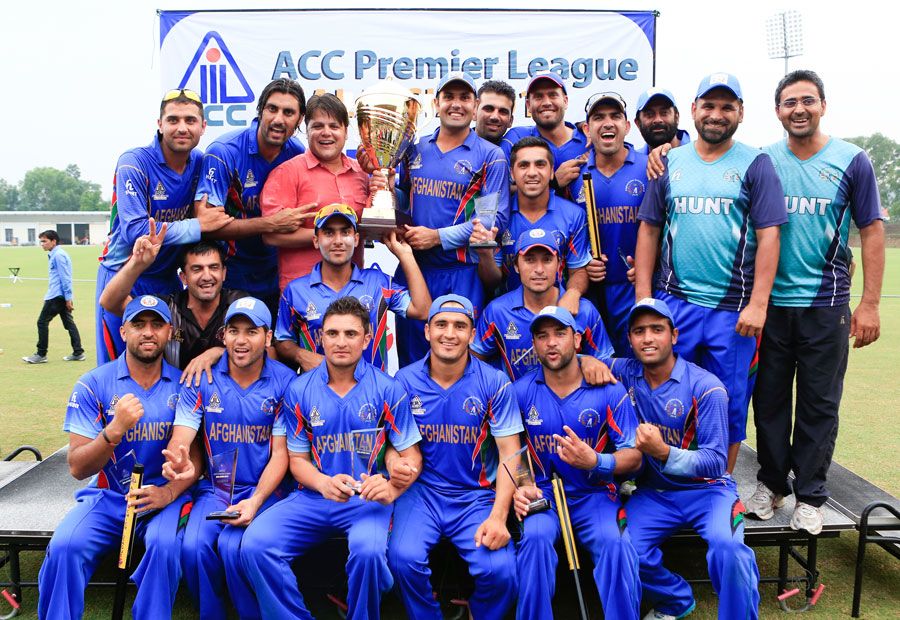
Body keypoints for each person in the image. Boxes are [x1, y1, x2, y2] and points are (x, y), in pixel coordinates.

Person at [746, 70, 885, 535]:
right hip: (769, 306)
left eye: (807, 100)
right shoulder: (763, 159)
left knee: (819, 404)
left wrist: (869, 304)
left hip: (826, 304)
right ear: (778, 110)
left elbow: (871, 230)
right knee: (768, 402)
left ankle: (811, 495)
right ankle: (771, 484)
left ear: (823, 105)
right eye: (789, 102)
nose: (799, 109)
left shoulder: (852, 161)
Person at [635, 73, 787, 472]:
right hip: (674, 304)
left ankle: (718, 487)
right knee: (663, 395)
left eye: (726, 107)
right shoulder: (668, 161)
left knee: (729, 401)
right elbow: (649, 228)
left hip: (732, 311)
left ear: (740, 112)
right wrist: (644, 299)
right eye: (709, 106)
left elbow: (770, 236)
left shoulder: (756, 163)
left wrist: (758, 304)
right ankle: (661, 484)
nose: (716, 115)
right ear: (694, 111)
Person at [241, 296, 422, 619]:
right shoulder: (299, 389)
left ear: (367, 339)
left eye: (351, 334)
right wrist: (323, 483)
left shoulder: (387, 388)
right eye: (333, 333)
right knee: (255, 544)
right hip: (315, 495)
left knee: (367, 553)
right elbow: (296, 461)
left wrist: (393, 485)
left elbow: (410, 454)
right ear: (320, 337)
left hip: (366, 500)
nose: (341, 342)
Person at [37, 295, 199, 620]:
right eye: (138, 324)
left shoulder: (185, 385)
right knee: (66, 546)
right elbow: (77, 466)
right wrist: (114, 430)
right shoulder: (93, 384)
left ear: (170, 332)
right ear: (123, 331)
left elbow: (195, 461)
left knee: (165, 548)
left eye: (156, 324)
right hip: (110, 498)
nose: (148, 332)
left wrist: (168, 491)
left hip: (161, 502)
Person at [608, 298, 760, 620]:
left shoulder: (706, 387)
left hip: (708, 491)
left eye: (656, 330)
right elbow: (573, 359)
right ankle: (675, 599)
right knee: (620, 549)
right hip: (655, 493)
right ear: (630, 339)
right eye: (639, 331)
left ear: (674, 335)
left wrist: (663, 451)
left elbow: (717, 461)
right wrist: (589, 363)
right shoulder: (625, 371)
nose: (648, 338)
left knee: (730, 550)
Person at [388, 295, 521, 620]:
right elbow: (392, 442)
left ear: (472, 334)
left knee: (502, 573)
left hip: (475, 497)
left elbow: (509, 453)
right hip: (422, 494)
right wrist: (394, 462)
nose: (450, 333)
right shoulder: (404, 381)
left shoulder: (494, 383)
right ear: (427, 332)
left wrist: (499, 516)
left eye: (460, 326)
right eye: (441, 324)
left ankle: (480, 612)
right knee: (403, 558)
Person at [162, 297, 295, 619]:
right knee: (193, 549)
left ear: (267, 337)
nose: (241, 340)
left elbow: (281, 454)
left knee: (235, 549)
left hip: (268, 490)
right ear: (223, 336)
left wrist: (258, 498)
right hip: (216, 489)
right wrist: (179, 458)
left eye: (251, 331)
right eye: (234, 330)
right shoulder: (201, 377)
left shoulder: (285, 382)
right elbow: (183, 431)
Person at [512, 305, 641, 620]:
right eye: (542, 336)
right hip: (543, 495)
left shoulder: (608, 389)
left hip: (594, 494)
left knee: (616, 544)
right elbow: (513, 453)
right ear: (534, 344)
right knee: (536, 540)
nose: (551, 343)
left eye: (560, 333)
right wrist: (525, 485)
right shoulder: (519, 391)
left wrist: (596, 460)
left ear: (578, 340)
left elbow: (635, 456)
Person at [96, 88, 232, 364]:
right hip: (125, 275)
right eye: (173, 120)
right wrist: (197, 225)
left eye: (190, 121)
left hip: (168, 279)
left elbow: (213, 219)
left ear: (203, 126)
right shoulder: (134, 162)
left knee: (166, 367)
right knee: (120, 367)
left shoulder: (201, 163)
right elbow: (136, 230)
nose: (182, 128)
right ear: (159, 124)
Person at [392, 72, 510, 367]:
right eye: (449, 97)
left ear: (475, 105)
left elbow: (491, 221)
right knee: (413, 361)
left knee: (459, 363)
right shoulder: (414, 149)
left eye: (464, 98)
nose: (456, 104)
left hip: (462, 273)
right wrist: (382, 188)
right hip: (415, 269)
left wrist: (437, 237)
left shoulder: (490, 156)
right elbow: (405, 200)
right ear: (436, 103)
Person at [195, 78, 309, 316]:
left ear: (299, 120)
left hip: (278, 272)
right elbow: (205, 226)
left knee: (275, 349)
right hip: (232, 273)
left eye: (289, 112)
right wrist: (270, 224)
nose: (278, 119)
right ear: (260, 111)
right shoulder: (224, 152)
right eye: (272, 109)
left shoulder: (296, 153)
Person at [274, 204, 430, 372]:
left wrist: (405, 255)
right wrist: (300, 355)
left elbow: (423, 310)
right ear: (316, 241)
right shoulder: (296, 291)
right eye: (329, 233)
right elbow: (282, 339)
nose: (338, 241)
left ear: (356, 239)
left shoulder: (378, 282)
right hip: (317, 392)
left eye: (345, 232)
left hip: (372, 391)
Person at [99, 220, 245, 373]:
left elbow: (263, 350)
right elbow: (110, 302)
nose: (207, 276)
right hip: (176, 394)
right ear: (183, 277)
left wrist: (218, 352)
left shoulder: (238, 304)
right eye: (197, 269)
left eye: (213, 268)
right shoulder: (167, 307)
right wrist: (137, 263)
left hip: (226, 394)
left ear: (224, 273)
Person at [568, 92, 650, 356]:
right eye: (598, 117)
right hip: (591, 293)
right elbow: (564, 230)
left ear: (627, 126)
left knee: (637, 369)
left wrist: (650, 267)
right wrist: (582, 264)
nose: (607, 123)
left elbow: (667, 229)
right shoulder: (573, 175)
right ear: (586, 128)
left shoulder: (651, 168)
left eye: (615, 116)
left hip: (634, 288)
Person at [260, 93, 371, 289]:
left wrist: (384, 181)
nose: (326, 133)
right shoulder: (286, 173)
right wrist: (328, 234)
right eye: (318, 126)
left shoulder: (362, 173)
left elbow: (376, 226)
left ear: (346, 131)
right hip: (302, 293)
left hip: (351, 292)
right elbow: (271, 236)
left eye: (334, 126)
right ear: (307, 131)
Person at [473, 229, 613, 381]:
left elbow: (605, 365)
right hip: (516, 402)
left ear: (559, 264)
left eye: (547, 260)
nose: (539, 270)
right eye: (530, 260)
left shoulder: (585, 311)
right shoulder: (497, 311)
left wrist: (587, 360)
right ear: (516, 266)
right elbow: (474, 363)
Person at [479, 136, 590, 305]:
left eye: (540, 164)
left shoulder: (574, 215)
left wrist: (573, 293)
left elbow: (579, 270)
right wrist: (485, 254)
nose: (532, 172)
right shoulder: (497, 214)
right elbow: (492, 281)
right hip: (511, 316)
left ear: (552, 171)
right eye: (523, 165)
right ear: (511, 173)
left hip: (558, 313)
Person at [502, 72, 589, 191]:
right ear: (528, 105)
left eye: (553, 95)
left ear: (565, 101)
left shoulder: (589, 138)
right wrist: (552, 182)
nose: (546, 102)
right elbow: (499, 189)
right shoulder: (516, 137)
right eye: (538, 96)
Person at [23, 230, 84, 363]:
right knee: (69, 323)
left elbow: (65, 278)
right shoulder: (55, 254)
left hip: (57, 296)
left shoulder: (58, 256)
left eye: (44, 241)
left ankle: (41, 354)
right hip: (59, 295)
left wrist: (68, 298)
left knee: (42, 322)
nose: (42, 244)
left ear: (53, 241)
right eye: (41, 241)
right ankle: (78, 352)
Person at [633, 88, 691, 154]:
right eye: (649, 114)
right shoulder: (634, 162)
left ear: (676, 117)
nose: (658, 120)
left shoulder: (699, 156)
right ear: (638, 123)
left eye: (664, 113)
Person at [475, 80, 516, 145]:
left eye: (503, 111)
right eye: (488, 109)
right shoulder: (454, 148)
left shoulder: (517, 153)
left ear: (510, 121)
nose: (495, 117)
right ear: (474, 112)